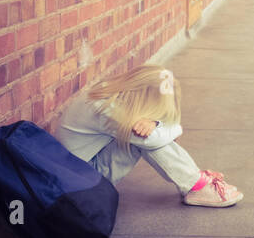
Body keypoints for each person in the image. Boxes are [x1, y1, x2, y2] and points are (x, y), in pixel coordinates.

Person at [56, 64, 243, 208]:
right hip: (83, 181)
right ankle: (196, 186)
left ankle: (196, 182)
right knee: (146, 139)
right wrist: (176, 128)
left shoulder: (110, 92)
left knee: (147, 131)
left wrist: (155, 123)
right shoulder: (105, 110)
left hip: (82, 167)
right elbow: (153, 139)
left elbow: (153, 127)